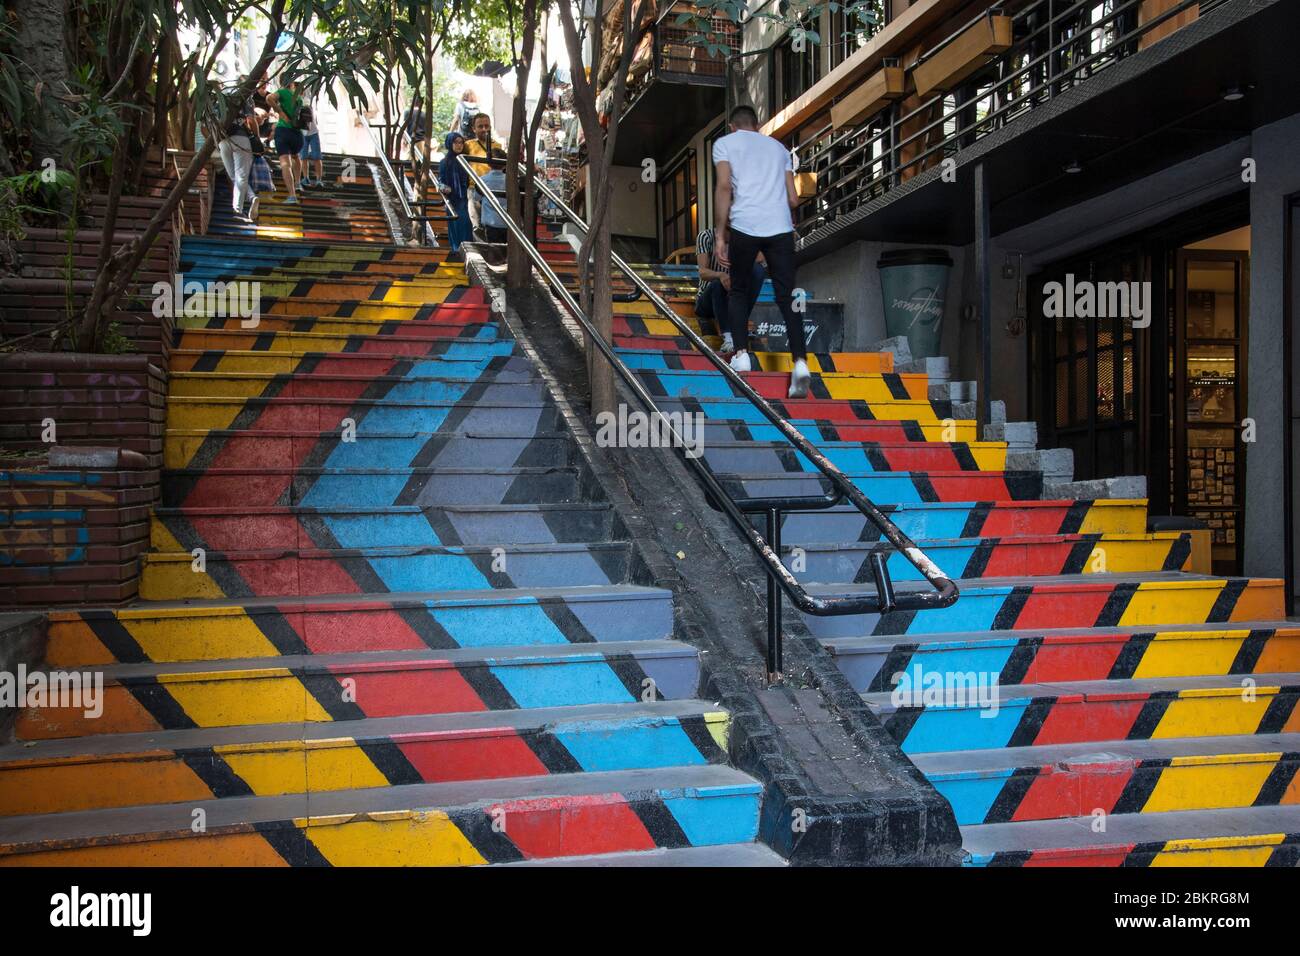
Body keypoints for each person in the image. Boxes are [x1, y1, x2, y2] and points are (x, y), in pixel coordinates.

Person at [713, 103, 809, 396]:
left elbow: (724, 187)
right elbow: (793, 199)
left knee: (739, 290)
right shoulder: (780, 149)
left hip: (745, 226)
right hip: (780, 228)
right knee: (787, 295)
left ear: (732, 126)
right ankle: (801, 364)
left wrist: (719, 234)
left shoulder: (724, 144)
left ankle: (742, 356)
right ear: (758, 126)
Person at [694, 226, 765, 355]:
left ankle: (741, 319)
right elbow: (702, 272)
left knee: (758, 270)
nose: (730, 235)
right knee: (717, 284)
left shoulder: (740, 239)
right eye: (727, 230)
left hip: (732, 299)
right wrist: (720, 275)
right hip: (707, 300)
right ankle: (728, 337)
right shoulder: (706, 237)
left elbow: (761, 256)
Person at [464, 112, 506, 235]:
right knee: (477, 225)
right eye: (480, 126)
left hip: (493, 190)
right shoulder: (468, 145)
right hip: (475, 189)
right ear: (474, 129)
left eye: (487, 126)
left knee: (493, 224)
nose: (484, 129)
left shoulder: (497, 146)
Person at [217, 91, 256, 221]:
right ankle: (238, 209)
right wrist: (256, 137)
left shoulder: (218, 100)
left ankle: (251, 198)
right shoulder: (246, 97)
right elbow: (251, 120)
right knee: (241, 175)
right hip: (241, 138)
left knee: (234, 175)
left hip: (223, 140)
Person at [267, 76, 304, 204]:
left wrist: (280, 112)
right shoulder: (298, 98)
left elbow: (269, 98)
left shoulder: (282, 92)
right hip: (297, 135)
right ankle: (298, 182)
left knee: (285, 164)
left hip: (283, 131)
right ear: (292, 83)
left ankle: (292, 195)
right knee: (296, 156)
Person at [439, 131, 473, 252]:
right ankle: (456, 249)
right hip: (451, 199)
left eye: (461, 143)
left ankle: (466, 249)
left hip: (463, 198)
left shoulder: (465, 160)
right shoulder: (444, 162)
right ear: (450, 143)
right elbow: (440, 180)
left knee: (465, 223)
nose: (459, 145)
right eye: (455, 142)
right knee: (455, 224)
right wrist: (444, 187)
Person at [298, 89, 325, 189]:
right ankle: (306, 177)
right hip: (302, 133)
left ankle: (319, 179)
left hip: (313, 132)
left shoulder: (307, 99)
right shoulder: (295, 101)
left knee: (317, 156)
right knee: (303, 157)